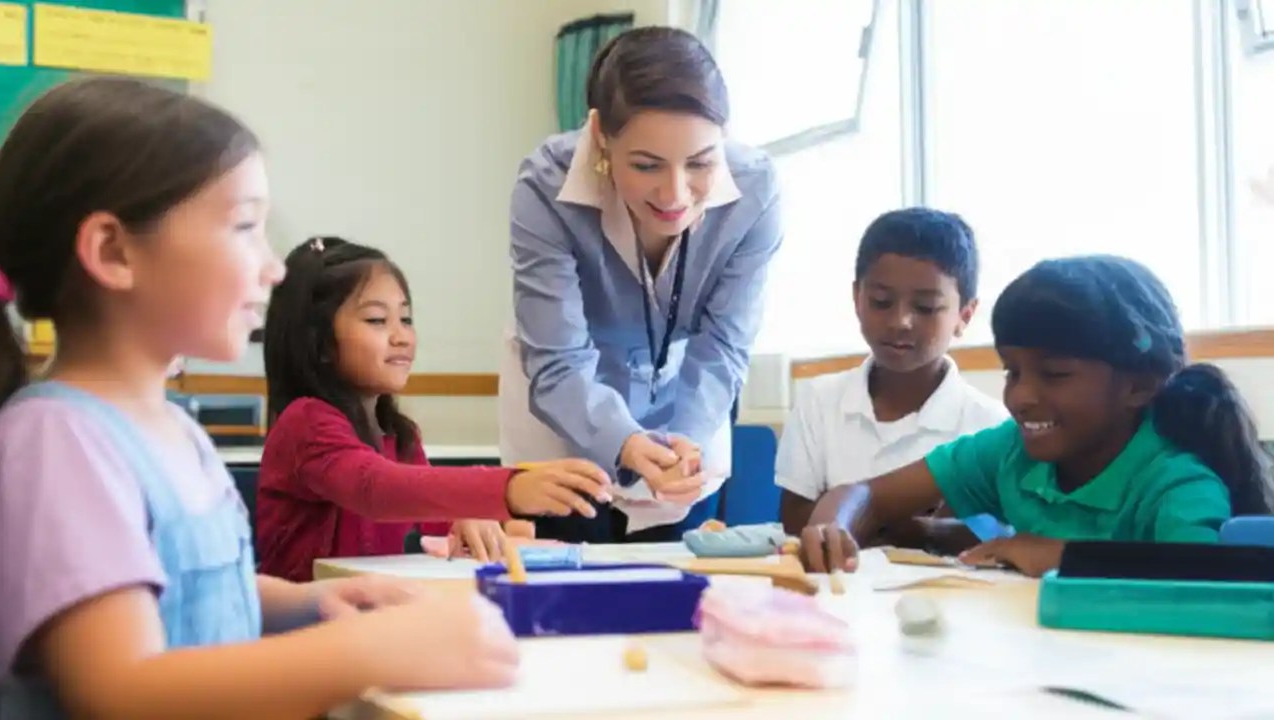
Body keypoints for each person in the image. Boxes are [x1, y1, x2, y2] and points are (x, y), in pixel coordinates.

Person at [0, 77, 522, 719]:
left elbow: (189, 591)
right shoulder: (56, 439)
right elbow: (121, 689)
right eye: (245, 227)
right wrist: (367, 652)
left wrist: (312, 604)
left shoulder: (171, 430)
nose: (273, 269)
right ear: (113, 251)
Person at [798, 255, 1274, 577]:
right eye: (1013, 371)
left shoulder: (1176, 482)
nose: (1020, 396)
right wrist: (835, 525)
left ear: (1138, 385)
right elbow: (865, 494)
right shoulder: (1011, 451)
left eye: (1054, 374)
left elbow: (1212, 577)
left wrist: (1062, 556)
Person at [499, 26, 783, 543]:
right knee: (567, 575)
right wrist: (624, 440)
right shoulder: (545, 187)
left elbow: (724, 344)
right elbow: (558, 358)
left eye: (700, 163)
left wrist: (687, 440)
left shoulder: (755, 189)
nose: (676, 193)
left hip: (690, 394)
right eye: (646, 165)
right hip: (565, 395)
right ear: (601, 135)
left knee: (677, 578)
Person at [259, 237, 610, 581]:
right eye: (377, 321)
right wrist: (508, 489)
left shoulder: (401, 435)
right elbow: (377, 489)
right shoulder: (304, 423)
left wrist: (481, 524)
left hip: (369, 620)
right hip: (302, 628)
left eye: (406, 319)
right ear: (319, 343)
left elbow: (431, 511)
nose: (402, 337)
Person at [776, 209, 1007, 550]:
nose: (901, 321)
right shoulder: (818, 400)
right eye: (881, 302)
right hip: (835, 591)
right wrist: (915, 524)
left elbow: (992, 535)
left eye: (926, 308)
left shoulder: (990, 424)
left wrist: (857, 515)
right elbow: (796, 519)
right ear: (857, 299)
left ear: (964, 315)